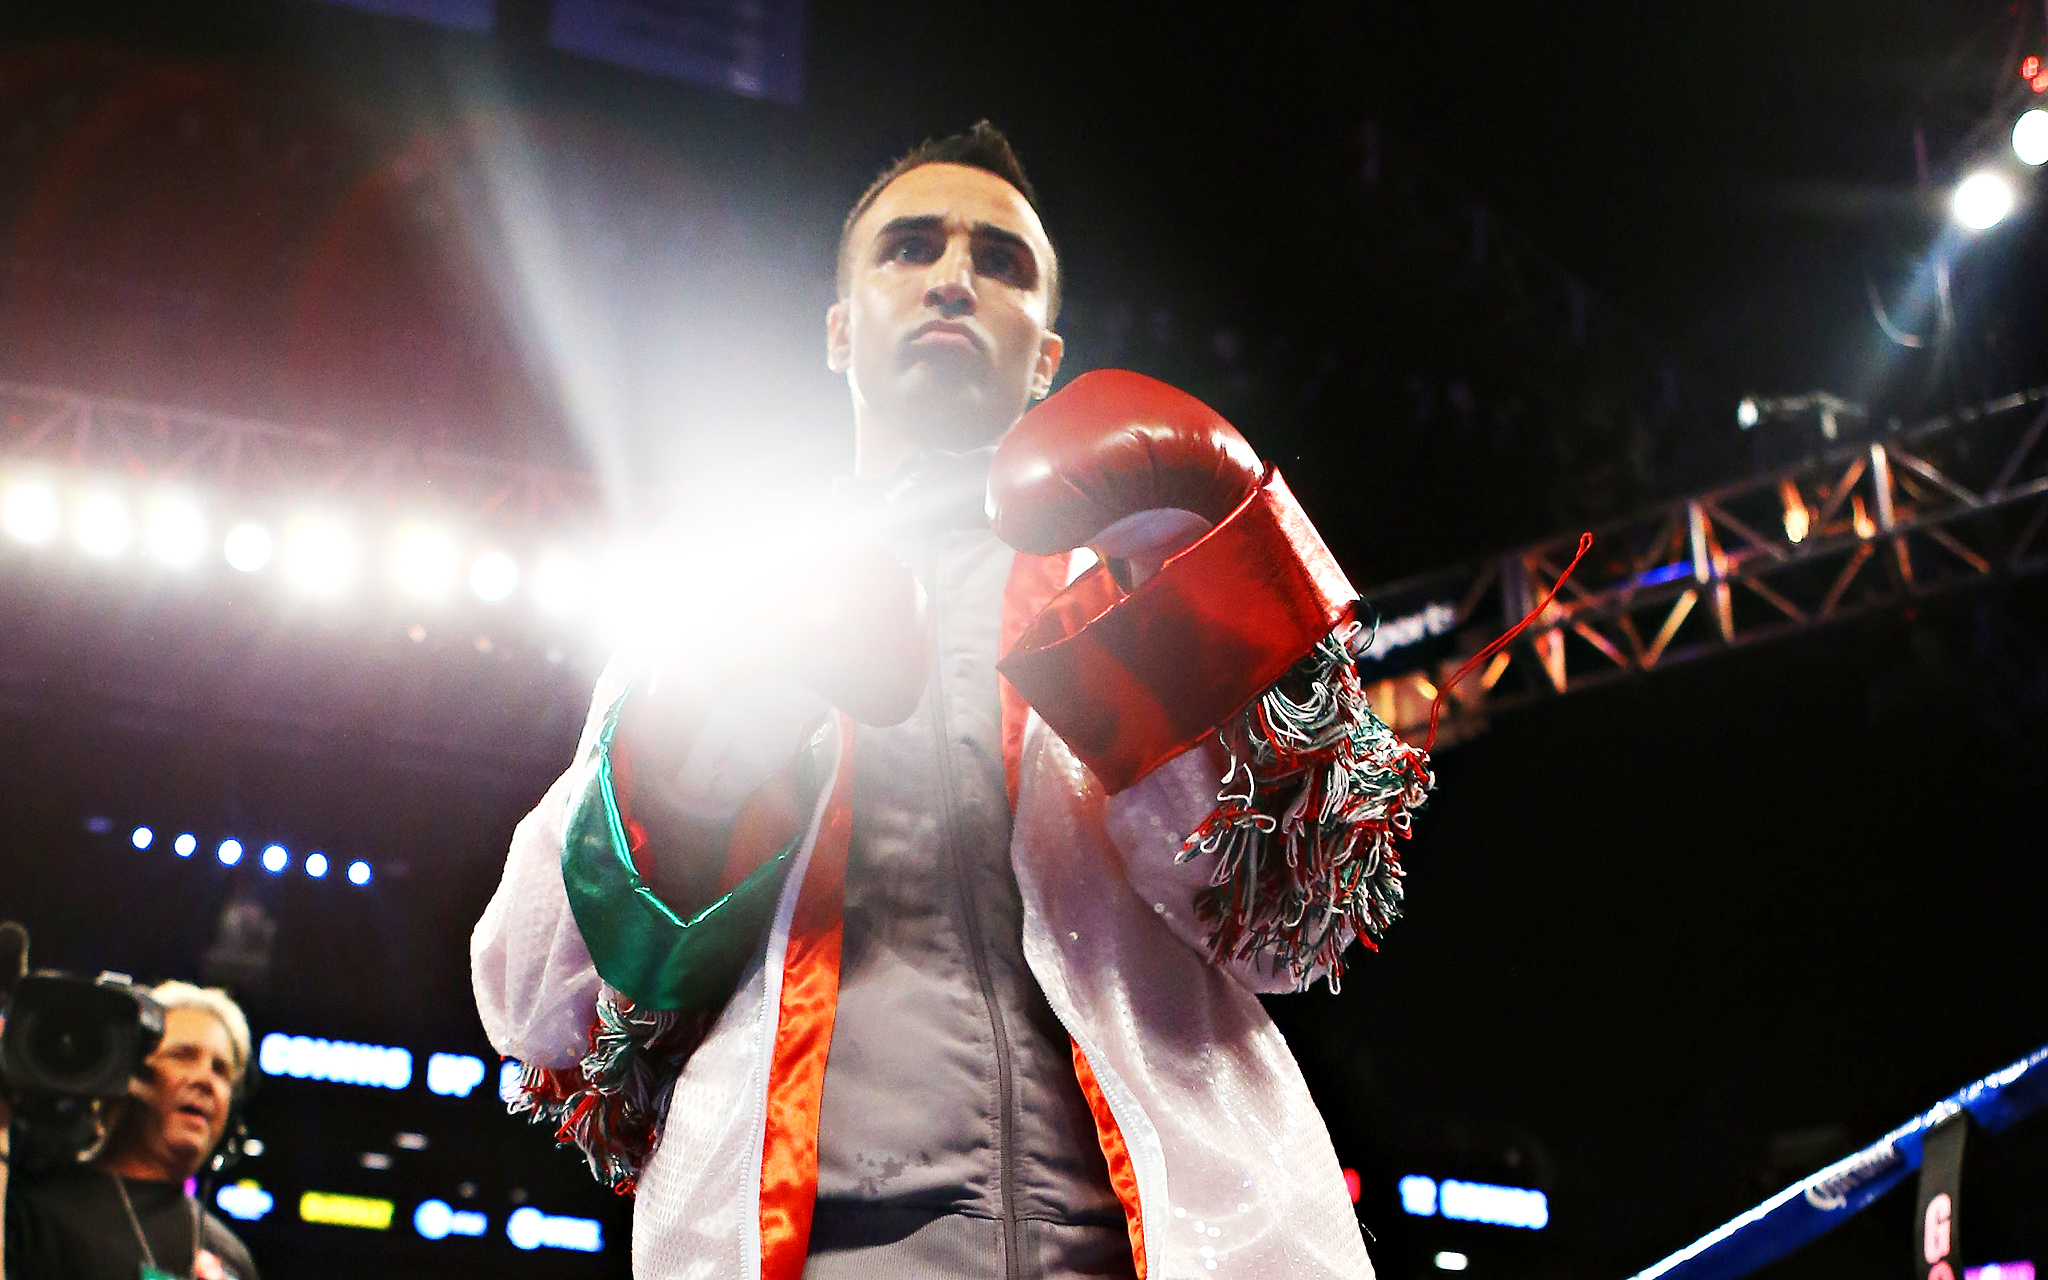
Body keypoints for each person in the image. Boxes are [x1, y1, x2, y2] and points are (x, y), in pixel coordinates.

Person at [473, 121, 1432, 1279]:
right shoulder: (722, 597)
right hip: (811, 1244)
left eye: (999, 260)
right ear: (838, 331)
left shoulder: (1141, 565)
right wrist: (697, 741)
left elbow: (1298, 929)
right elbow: (537, 1007)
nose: (951, 278)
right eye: (909, 248)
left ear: (1047, 354)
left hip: (1168, 1243)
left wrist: (1196, 579)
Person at [2, 981, 260, 1280]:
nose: (205, 1079)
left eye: (220, 1069)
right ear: (130, 1074)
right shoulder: (32, 1210)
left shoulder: (230, 1257)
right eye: (182, 1055)